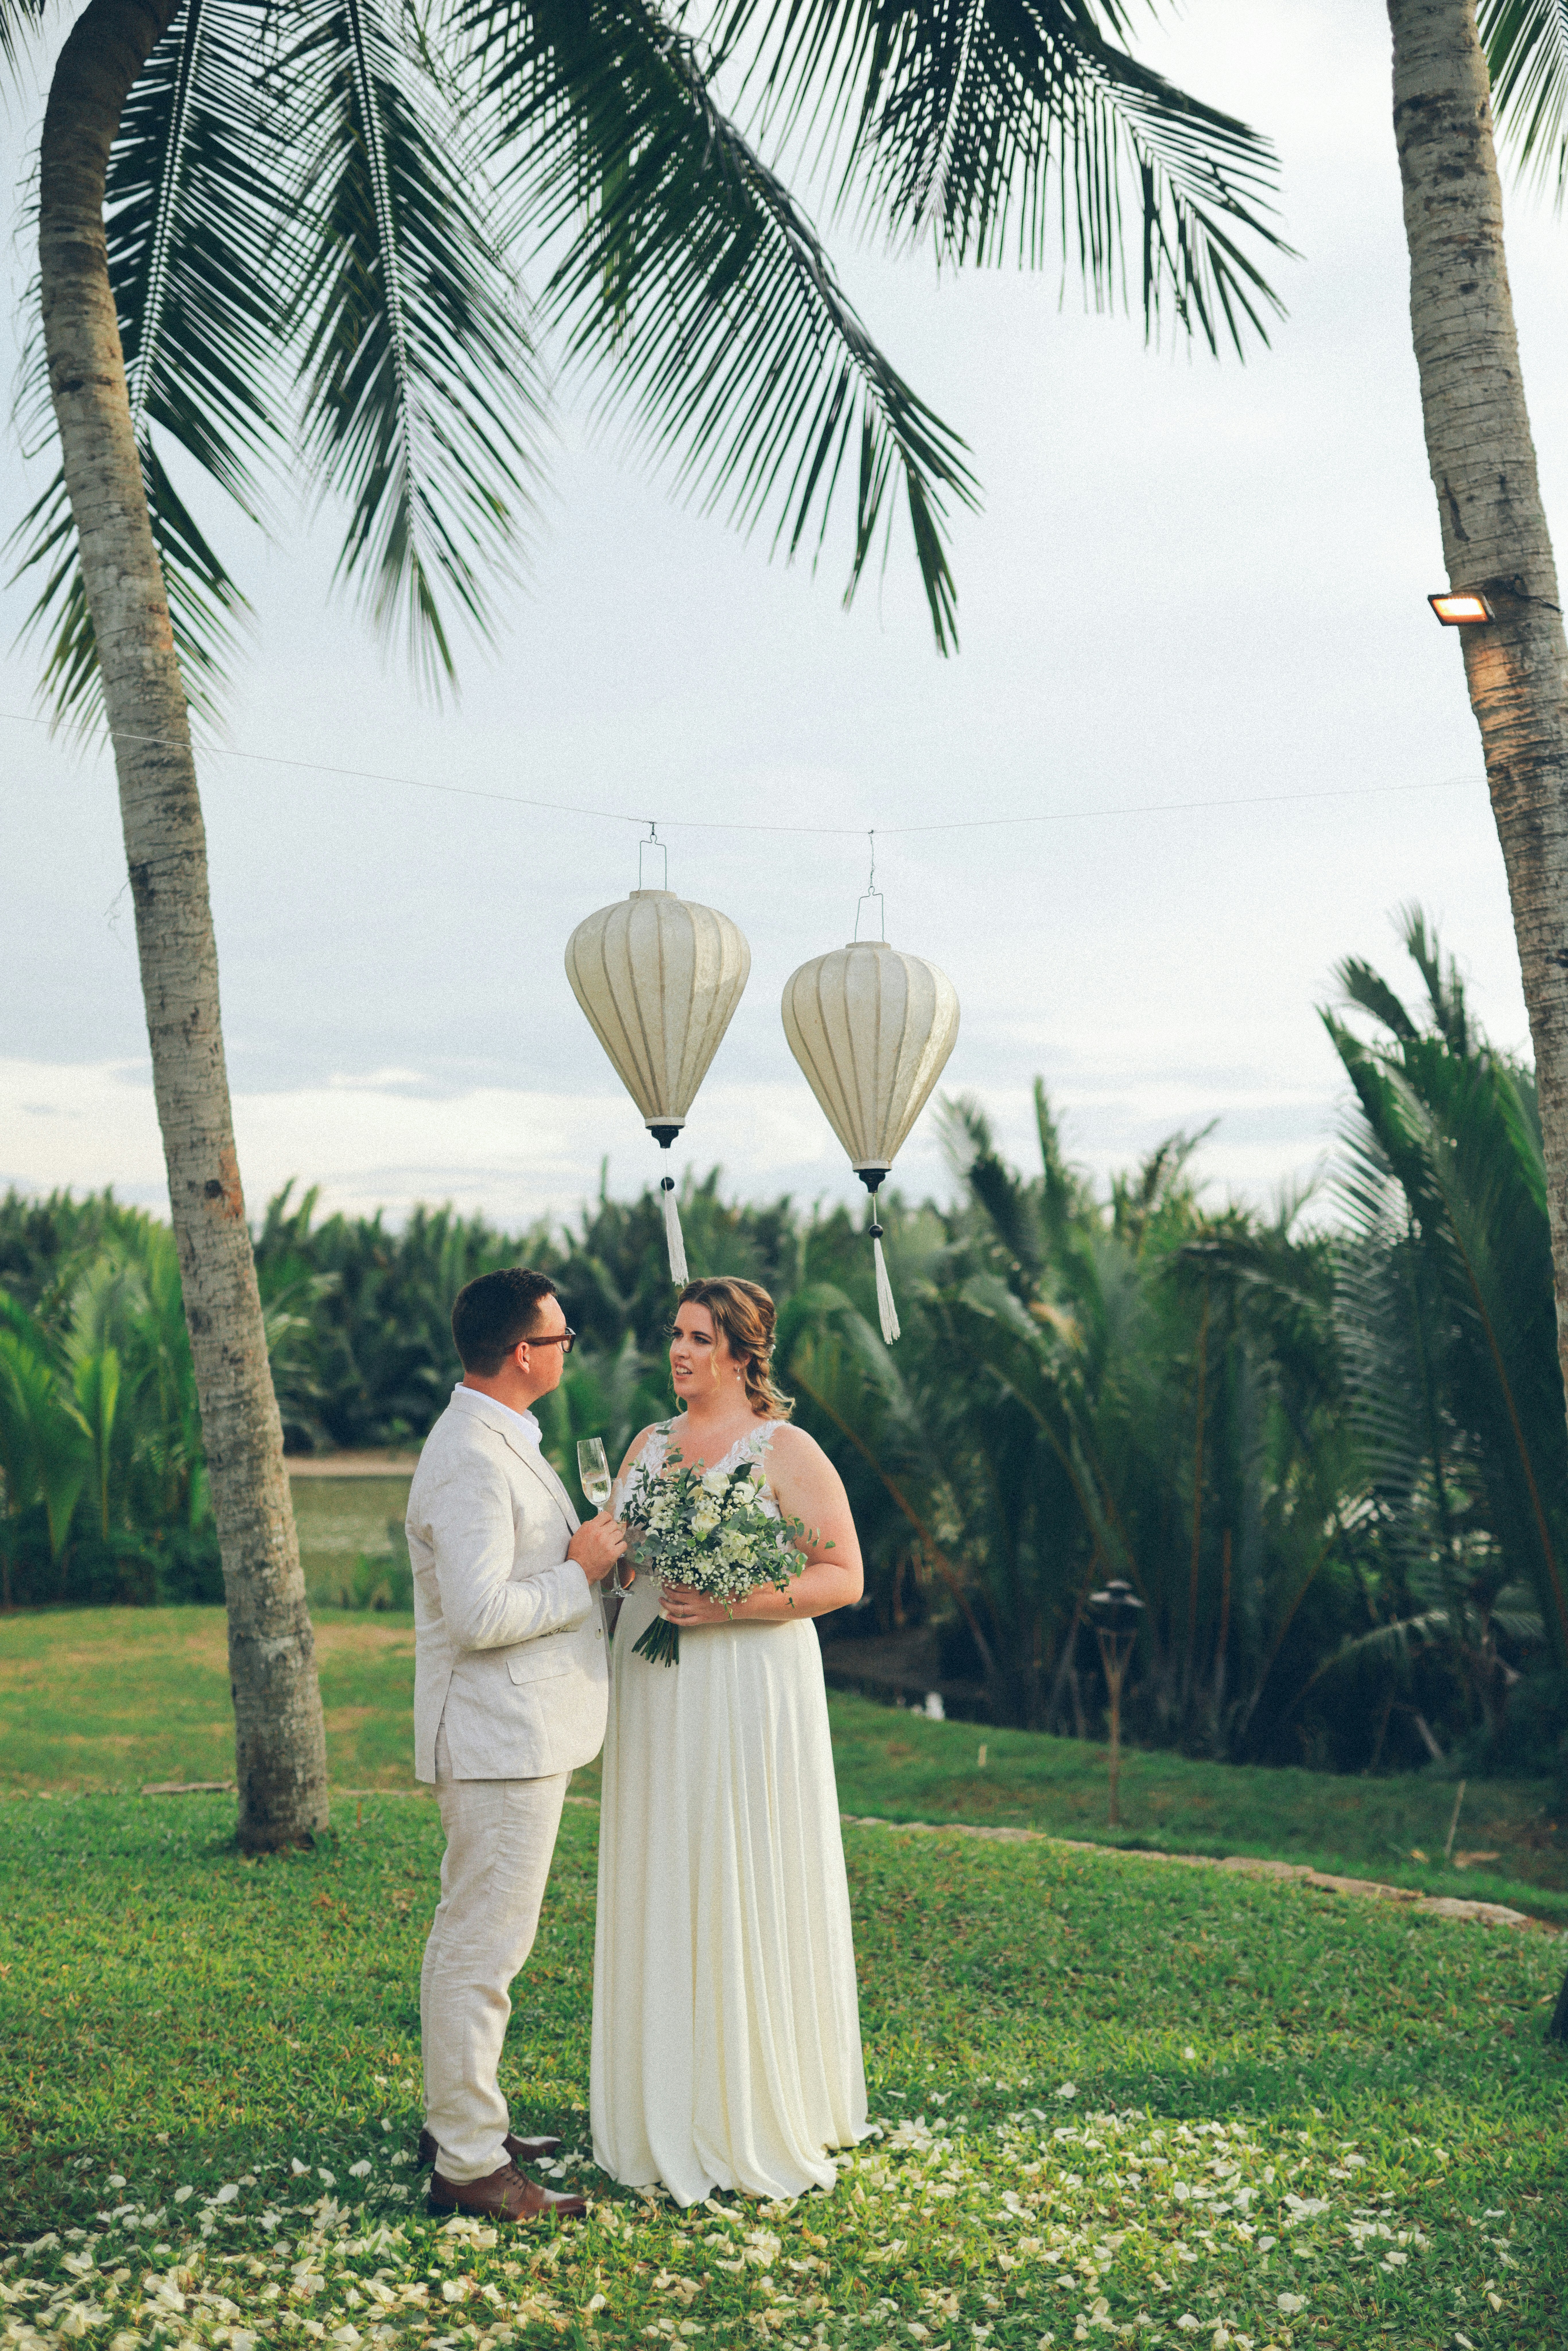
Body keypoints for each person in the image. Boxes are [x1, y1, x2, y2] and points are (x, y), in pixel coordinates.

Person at [591, 1276, 870, 2206]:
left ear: (744, 1353)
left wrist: (732, 1603)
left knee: (737, 1862)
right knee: (663, 1862)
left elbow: (842, 1576)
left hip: (745, 1681)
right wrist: (613, 1559)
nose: (680, 1352)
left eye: (700, 1338)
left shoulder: (785, 1450)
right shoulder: (646, 1444)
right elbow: (619, 1551)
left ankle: (750, 2100)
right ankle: (658, 2095)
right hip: (653, 1674)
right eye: (675, 1334)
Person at [407, 1267, 627, 2222]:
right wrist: (582, 1573)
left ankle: (472, 2124)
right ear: (523, 1353)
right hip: (497, 1738)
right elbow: (480, 1612)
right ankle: (464, 2163)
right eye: (563, 1337)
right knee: (480, 1949)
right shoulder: (468, 1455)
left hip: (524, 1729)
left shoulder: (505, 1437)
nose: (568, 1349)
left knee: (486, 1940)